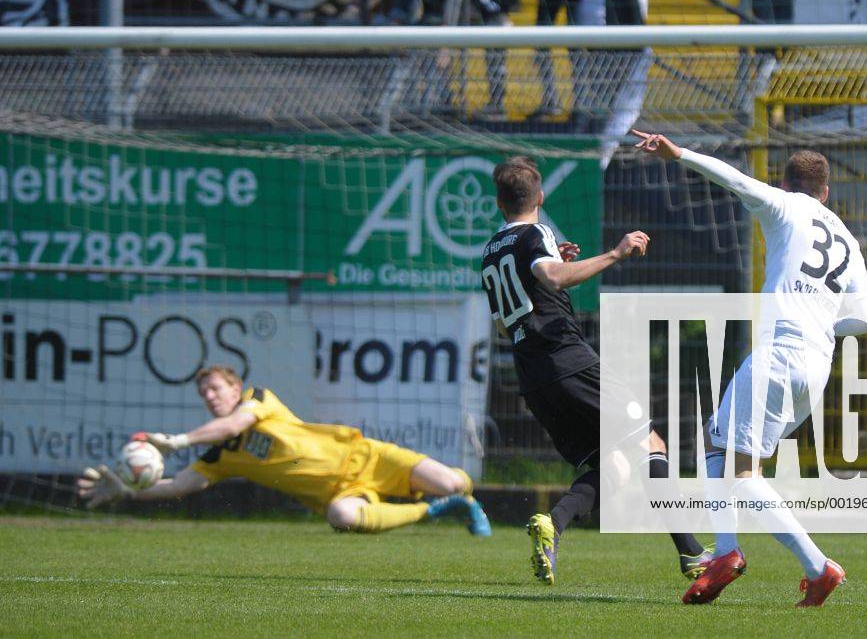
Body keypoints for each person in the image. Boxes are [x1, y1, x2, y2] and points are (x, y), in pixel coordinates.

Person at [632, 129, 867, 607]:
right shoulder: (847, 240)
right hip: (817, 365)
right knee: (718, 439)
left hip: (781, 353)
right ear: (826, 192)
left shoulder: (786, 206)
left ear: (785, 184)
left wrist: (679, 153)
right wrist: (824, 326)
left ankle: (816, 566)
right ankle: (726, 552)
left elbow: (736, 181)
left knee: (743, 474)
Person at [481, 156, 712, 585]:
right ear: (540, 196)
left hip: (532, 376)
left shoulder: (491, 251)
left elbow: (504, 323)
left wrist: (555, 265)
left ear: (499, 202)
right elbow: (554, 278)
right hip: (567, 361)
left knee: (615, 463)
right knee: (650, 442)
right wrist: (615, 252)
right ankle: (692, 553)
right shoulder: (536, 233)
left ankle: (553, 523)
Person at [77, 365, 492, 537]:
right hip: (339, 493)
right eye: (203, 392)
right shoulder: (219, 456)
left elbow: (234, 424)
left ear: (236, 388)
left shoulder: (257, 400)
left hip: (368, 457)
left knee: (453, 481)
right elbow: (179, 485)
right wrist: (128, 491)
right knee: (342, 517)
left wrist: (180, 441)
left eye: (215, 388)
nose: (209, 396)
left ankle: (458, 497)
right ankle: (435, 510)